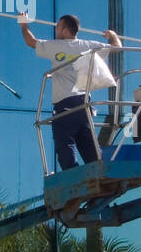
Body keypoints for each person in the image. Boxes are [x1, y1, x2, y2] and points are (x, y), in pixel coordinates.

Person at [17, 12, 122, 170]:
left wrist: (24, 24)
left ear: (65, 30)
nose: (56, 29)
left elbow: (30, 41)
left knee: (65, 143)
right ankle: (100, 172)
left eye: (58, 26)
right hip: (83, 103)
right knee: (88, 144)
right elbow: (117, 47)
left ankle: (73, 176)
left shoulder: (56, 46)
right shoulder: (88, 46)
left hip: (65, 104)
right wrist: (113, 35)